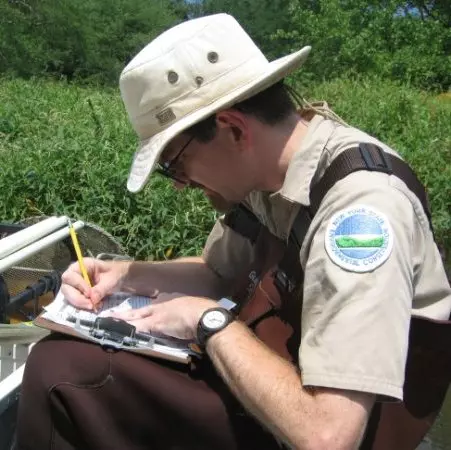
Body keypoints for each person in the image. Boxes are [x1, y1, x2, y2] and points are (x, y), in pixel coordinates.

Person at [15, 13, 451, 450]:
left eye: (175, 163)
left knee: (61, 373)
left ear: (233, 128)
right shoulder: (263, 175)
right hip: (277, 374)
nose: (181, 184)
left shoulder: (361, 214)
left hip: (323, 421)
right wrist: (124, 275)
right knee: (63, 356)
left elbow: (327, 435)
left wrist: (207, 321)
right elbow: (218, 272)